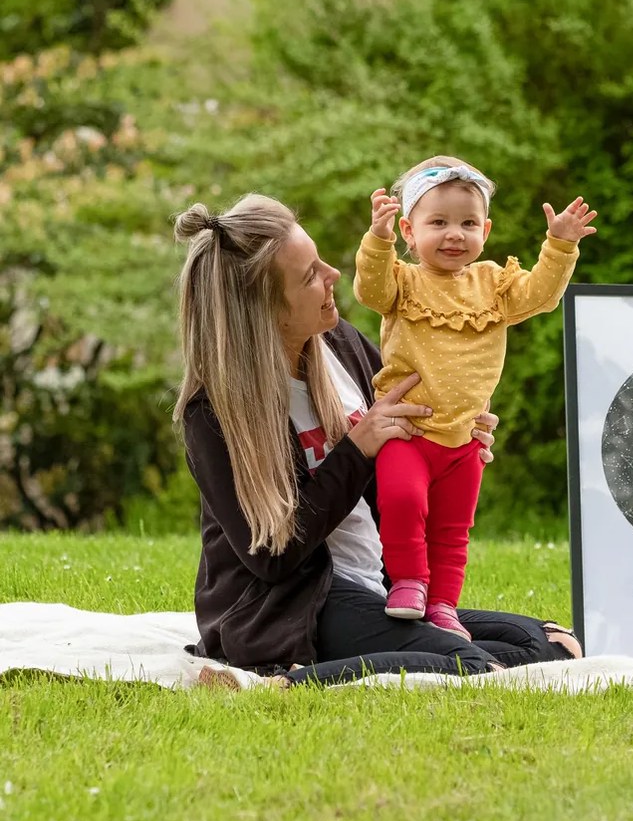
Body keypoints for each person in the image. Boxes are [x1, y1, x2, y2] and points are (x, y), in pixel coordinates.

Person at [172, 192, 581, 687]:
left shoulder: (340, 346)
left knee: (546, 642)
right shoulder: (215, 413)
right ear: (264, 308)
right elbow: (271, 560)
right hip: (288, 606)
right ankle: (284, 683)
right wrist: (357, 448)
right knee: (471, 666)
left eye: (320, 260)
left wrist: (449, 442)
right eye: (309, 276)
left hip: (373, 585)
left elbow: (399, 474)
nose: (333, 276)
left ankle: (339, 665)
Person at [353, 156, 597, 640]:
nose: (454, 234)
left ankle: (444, 605)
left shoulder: (494, 284)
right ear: (408, 228)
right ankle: (408, 582)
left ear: (485, 228)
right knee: (402, 499)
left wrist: (560, 245)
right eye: (437, 222)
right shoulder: (404, 281)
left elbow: (541, 296)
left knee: (451, 530)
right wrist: (376, 241)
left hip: (465, 438)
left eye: (467, 223)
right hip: (409, 429)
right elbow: (370, 289)